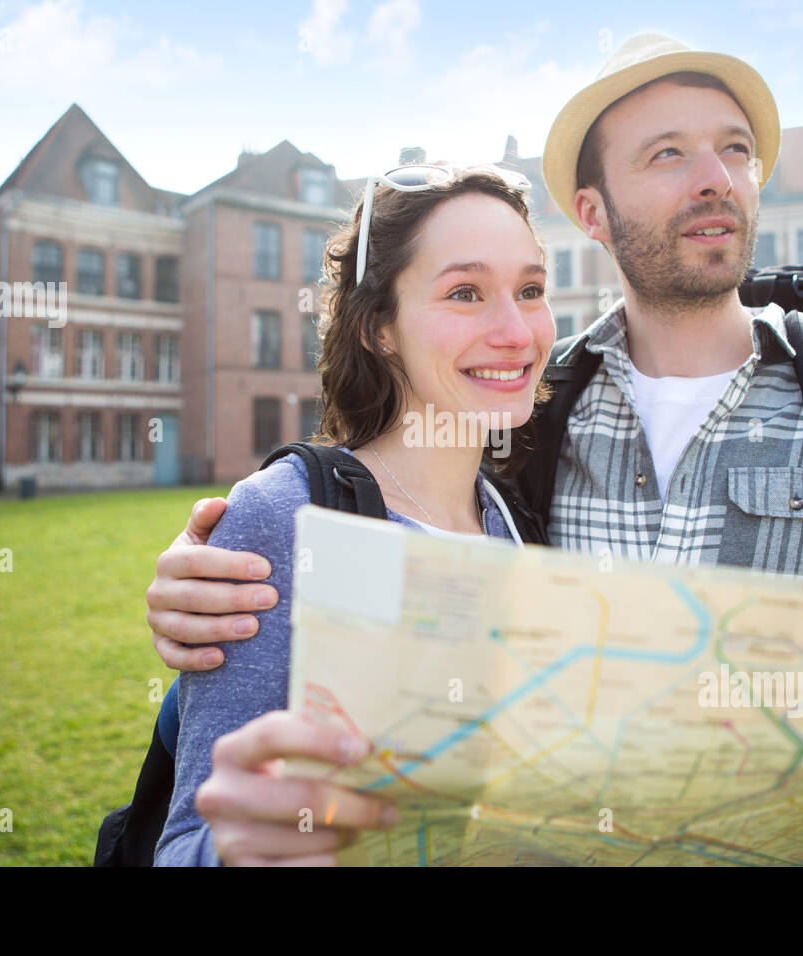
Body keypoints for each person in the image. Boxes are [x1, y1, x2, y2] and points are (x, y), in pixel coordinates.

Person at [146, 35, 803, 866]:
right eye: (668, 153)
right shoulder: (538, 419)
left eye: (736, 149)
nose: (714, 176)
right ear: (593, 211)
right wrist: (224, 558)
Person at [153, 165, 556, 865]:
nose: (517, 331)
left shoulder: (519, 519)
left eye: (530, 290)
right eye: (465, 292)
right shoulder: (288, 515)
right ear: (380, 328)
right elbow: (187, 842)